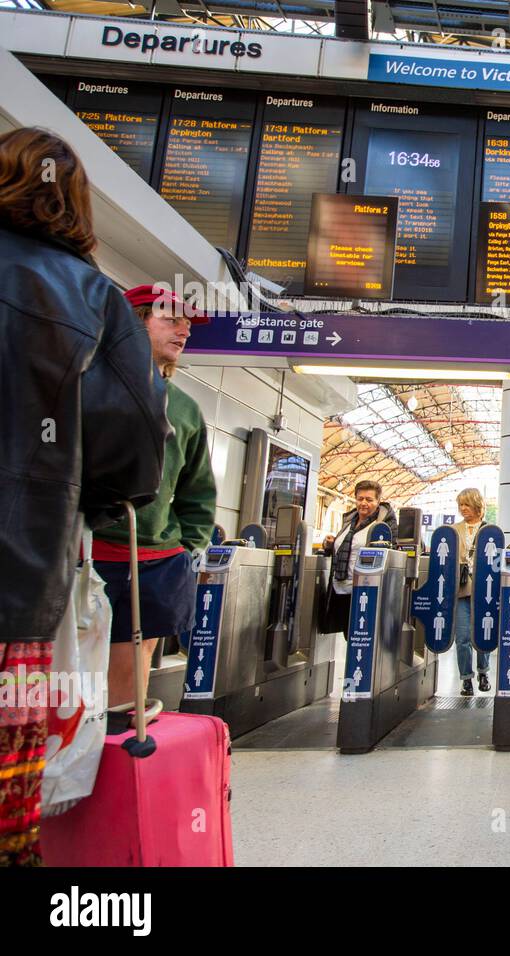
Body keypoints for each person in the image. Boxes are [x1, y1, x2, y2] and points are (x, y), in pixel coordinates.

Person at [0, 128, 168, 865]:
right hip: (21, 575)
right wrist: (85, 501)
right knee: (9, 797)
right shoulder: (90, 297)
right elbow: (132, 451)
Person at [94, 284, 217, 707]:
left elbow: (196, 488)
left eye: (187, 324)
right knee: (75, 669)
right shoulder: (84, 385)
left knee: (134, 668)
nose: (184, 331)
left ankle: (122, 753)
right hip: (89, 553)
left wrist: (186, 548)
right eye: (171, 319)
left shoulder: (183, 408)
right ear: (134, 322)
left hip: (157, 561)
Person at [321, 480, 397, 634]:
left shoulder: (383, 526)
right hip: (339, 590)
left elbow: (392, 555)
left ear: (378, 501)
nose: (364, 503)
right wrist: (331, 545)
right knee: (349, 636)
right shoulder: (349, 522)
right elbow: (343, 547)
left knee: (361, 637)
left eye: (369, 500)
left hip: (364, 591)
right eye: (360, 498)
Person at [451, 488, 491, 695]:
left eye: (467, 504)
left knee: (483, 632)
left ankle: (483, 672)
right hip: (461, 589)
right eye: (461, 505)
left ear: (477, 505)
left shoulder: (490, 529)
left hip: (484, 590)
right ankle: (466, 679)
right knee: (463, 636)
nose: (463, 509)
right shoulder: (453, 529)